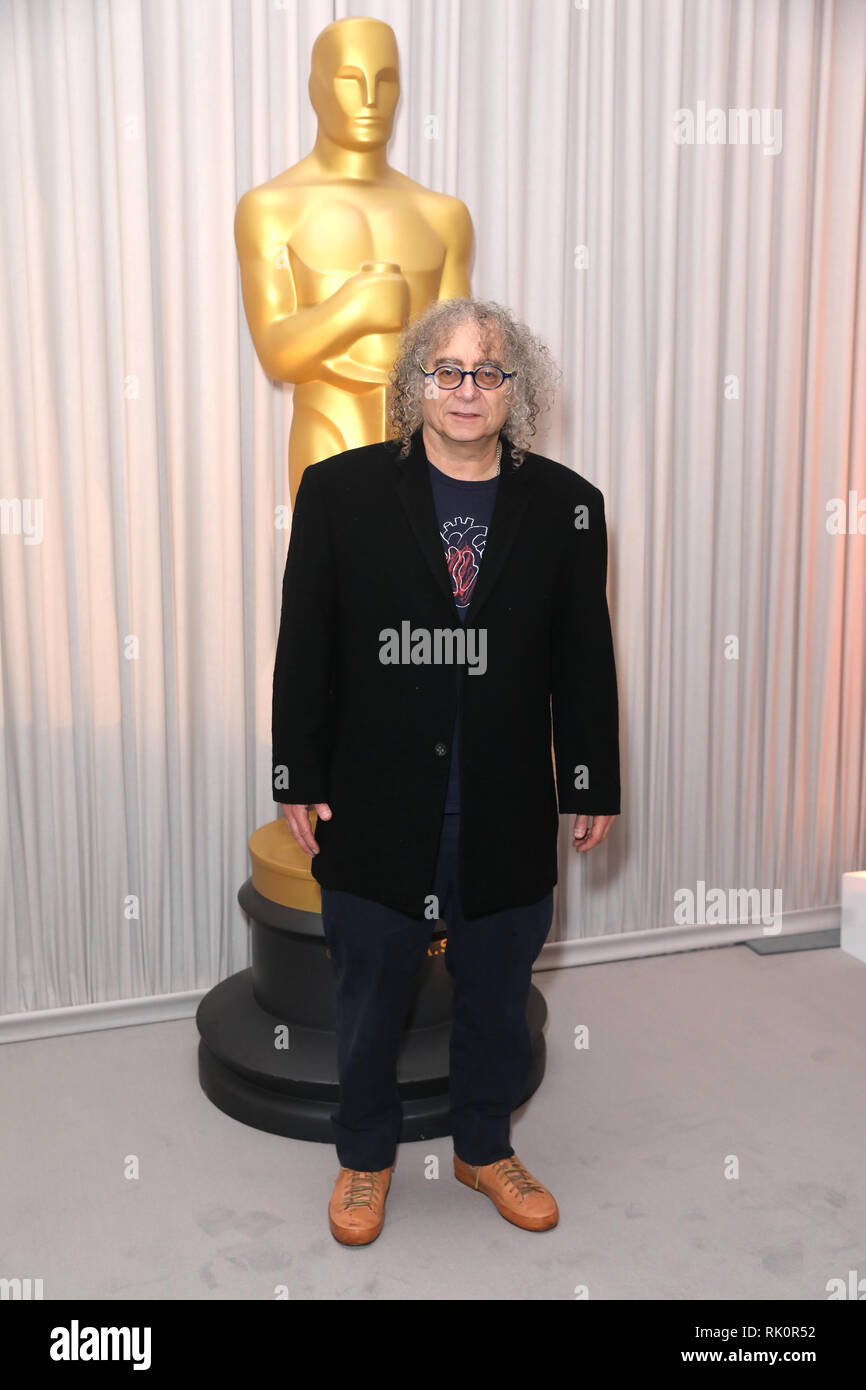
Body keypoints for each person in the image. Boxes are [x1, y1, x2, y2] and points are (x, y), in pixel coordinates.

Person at [272, 297, 621, 1245]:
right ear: (417, 383)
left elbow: (583, 657)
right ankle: (364, 1160)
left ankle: (482, 1145)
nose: (469, 390)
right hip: (377, 797)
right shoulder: (338, 493)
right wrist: (295, 771)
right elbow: (306, 643)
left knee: (498, 992)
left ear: (519, 390)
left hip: (505, 800)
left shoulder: (569, 506)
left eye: (490, 372)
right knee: (371, 988)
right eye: (450, 370)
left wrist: (590, 780)